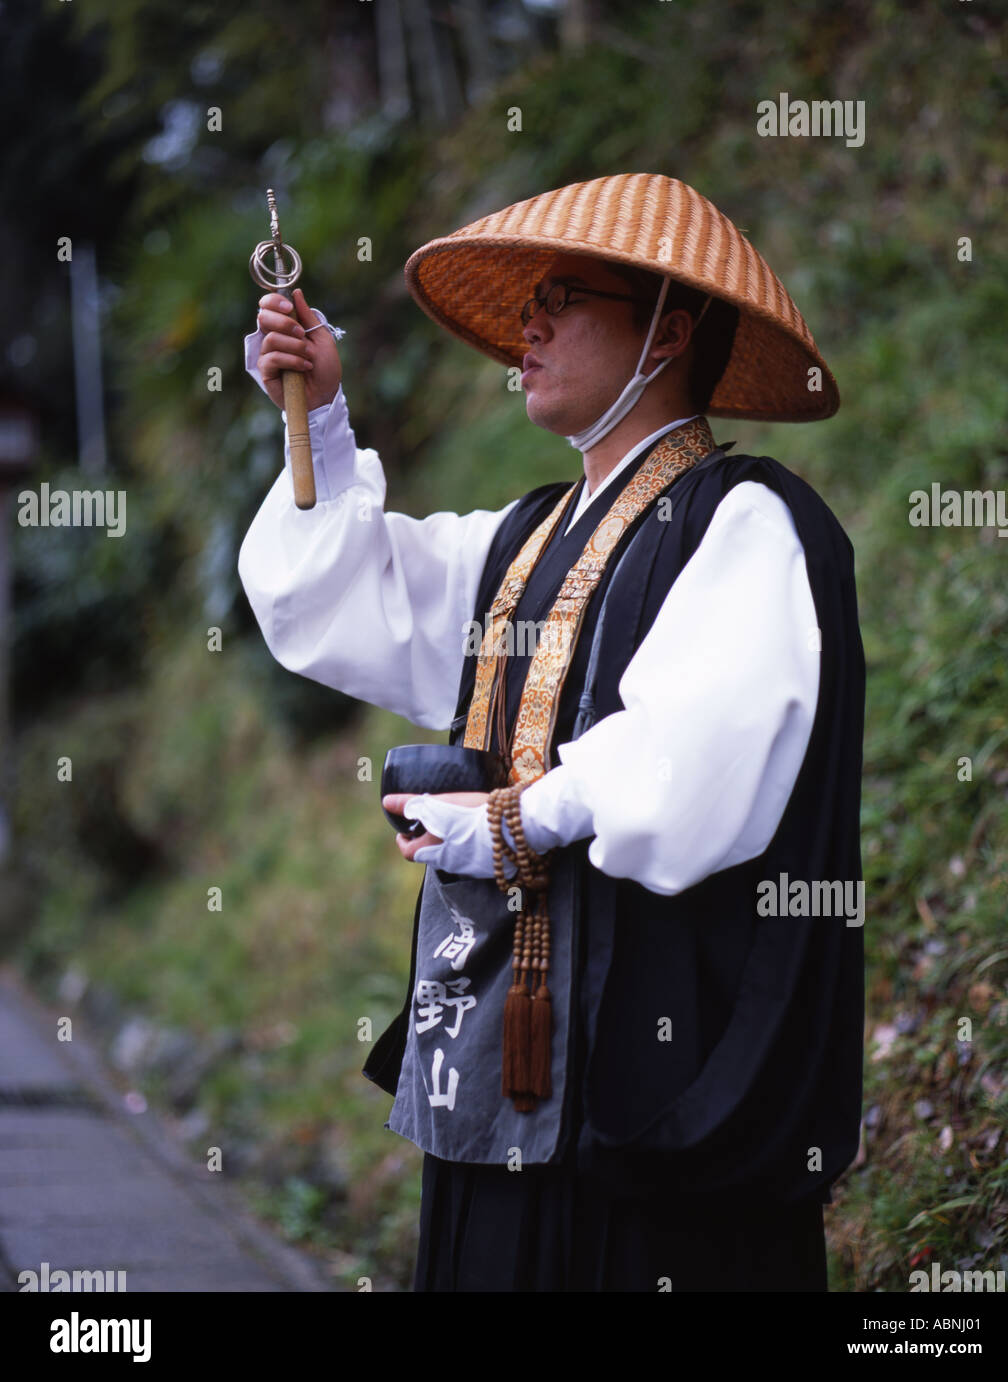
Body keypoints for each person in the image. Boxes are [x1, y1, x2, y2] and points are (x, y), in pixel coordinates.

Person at [238, 173, 865, 1292]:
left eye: (561, 299)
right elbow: (347, 599)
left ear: (665, 333)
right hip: (496, 1055)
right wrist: (321, 420)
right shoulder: (520, 542)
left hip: (646, 1062)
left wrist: (519, 822)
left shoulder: (748, 519)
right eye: (530, 302)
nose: (526, 325)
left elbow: (697, 754)